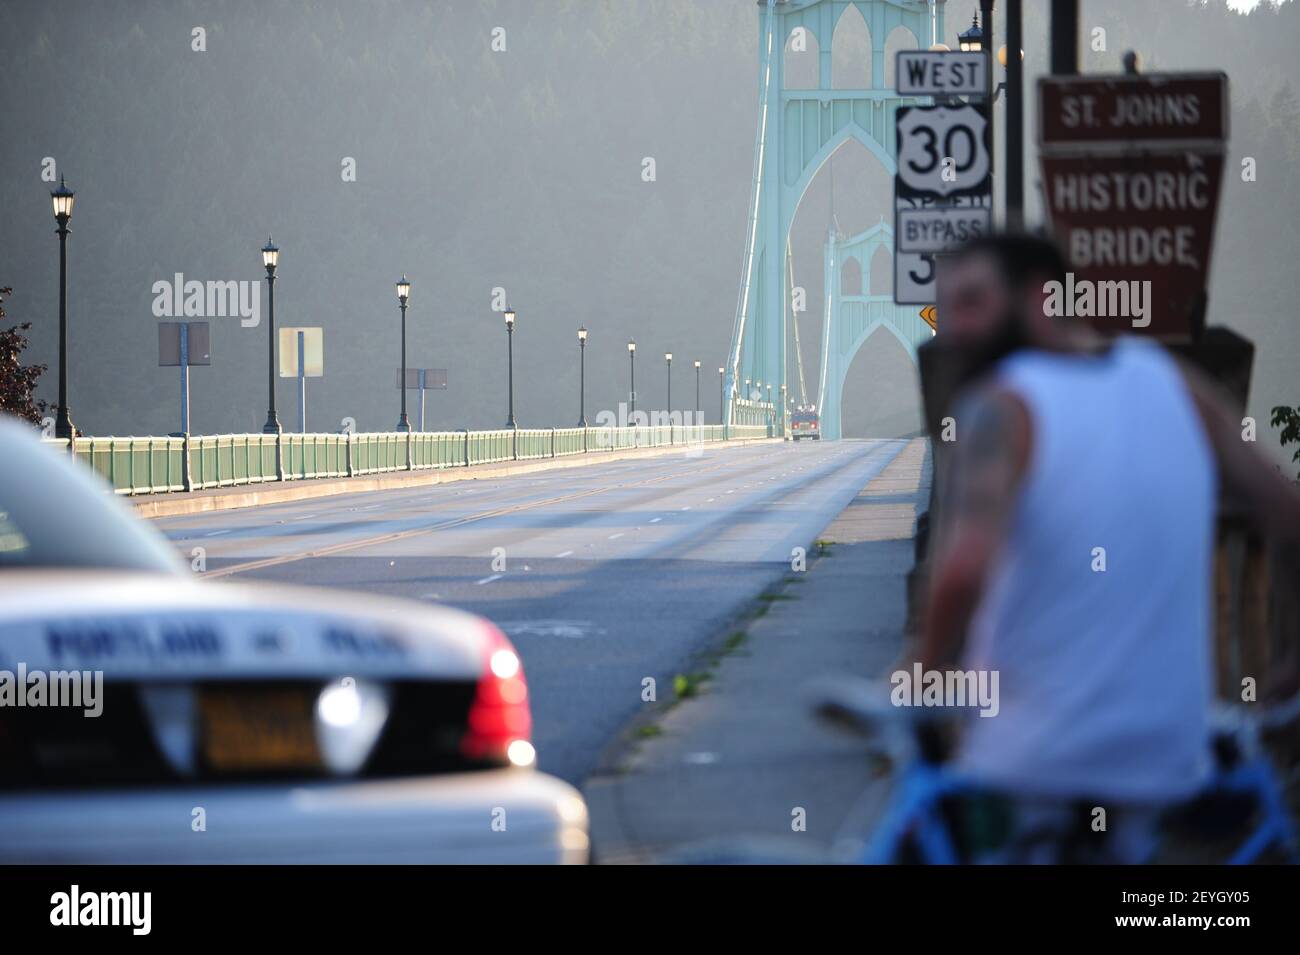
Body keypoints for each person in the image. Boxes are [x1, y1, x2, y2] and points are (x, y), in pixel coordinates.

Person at [917, 233, 1300, 863]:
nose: (953, 328)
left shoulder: (1000, 406)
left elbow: (961, 570)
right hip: (1169, 763)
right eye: (947, 307)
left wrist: (921, 675)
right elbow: (1287, 511)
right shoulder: (1174, 383)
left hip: (1031, 765)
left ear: (1042, 297)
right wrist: (1290, 659)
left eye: (973, 302)